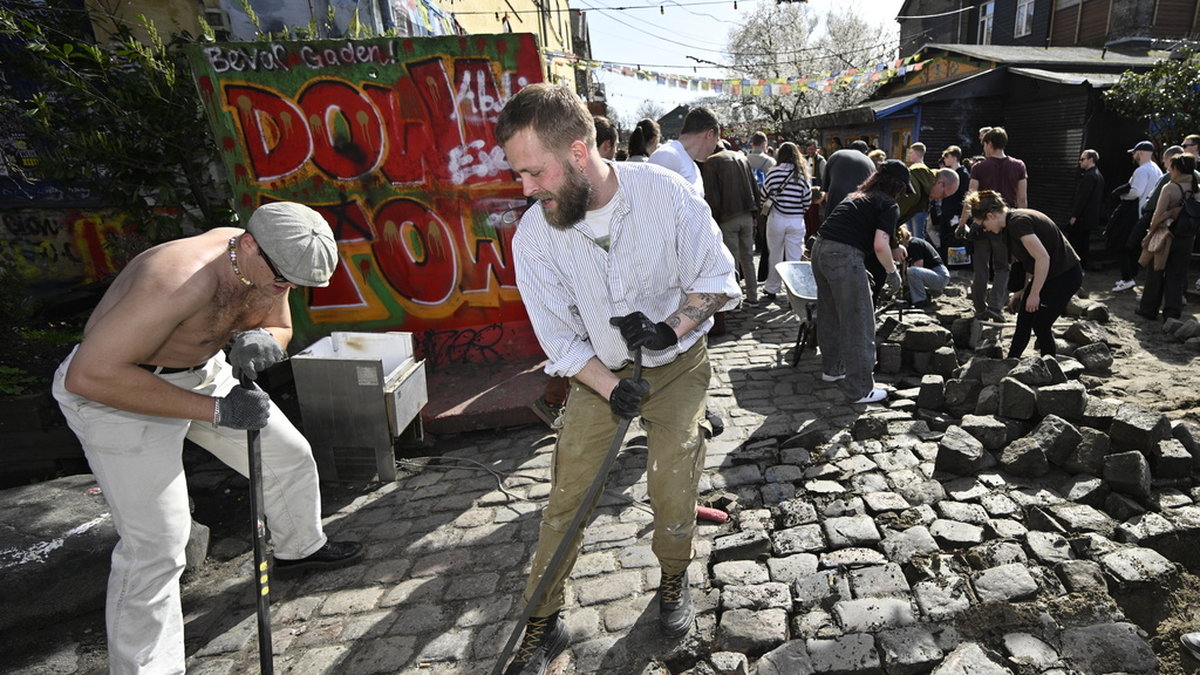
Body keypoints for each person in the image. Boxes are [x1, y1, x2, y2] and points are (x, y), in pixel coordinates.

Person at [51, 201, 363, 673]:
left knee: (289, 456)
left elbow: (278, 323)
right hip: (119, 392)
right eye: (284, 280)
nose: (288, 290)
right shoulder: (176, 278)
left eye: (297, 284)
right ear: (250, 245)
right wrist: (217, 410)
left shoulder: (272, 259)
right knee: (158, 544)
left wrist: (267, 343)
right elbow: (89, 375)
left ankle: (300, 550)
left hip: (200, 374)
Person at [495, 83, 739, 675]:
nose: (526, 189)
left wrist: (669, 329)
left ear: (579, 153)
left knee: (672, 481)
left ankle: (675, 580)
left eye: (533, 172)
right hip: (597, 377)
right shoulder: (535, 236)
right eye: (518, 174)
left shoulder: (667, 195)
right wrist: (610, 387)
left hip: (677, 368)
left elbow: (717, 276)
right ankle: (544, 617)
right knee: (567, 498)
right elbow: (558, 340)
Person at [811, 160, 910, 404]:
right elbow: (880, 245)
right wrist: (891, 272)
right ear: (897, 187)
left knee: (830, 313)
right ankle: (861, 388)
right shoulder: (888, 204)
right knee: (860, 321)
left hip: (819, 250)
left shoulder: (856, 196)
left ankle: (832, 370)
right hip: (843, 255)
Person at [965, 190, 1082, 358]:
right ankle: (1012, 361)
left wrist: (1034, 294)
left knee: (1041, 324)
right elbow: (1025, 261)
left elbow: (1042, 258)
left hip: (1065, 275)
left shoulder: (1019, 222)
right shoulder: (1006, 227)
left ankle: (1050, 366)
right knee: (1024, 321)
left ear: (990, 216)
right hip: (1049, 274)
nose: (985, 229)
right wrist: (1020, 292)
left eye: (983, 225)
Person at [959, 126, 1028, 321]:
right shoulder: (1019, 166)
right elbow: (1022, 199)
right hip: (1005, 224)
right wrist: (1022, 225)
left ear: (989, 144)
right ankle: (996, 307)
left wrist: (962, 222)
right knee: (1002, 267)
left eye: (984, 144)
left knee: (980, 268)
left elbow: (970, 198)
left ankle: (980, 309)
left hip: (981, 223)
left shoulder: (979, 167)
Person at [1137, 152, 1199, 321]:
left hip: (1166, 236)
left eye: (1171, 167)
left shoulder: (1170, 188)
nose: (1169, 170)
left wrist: (1150, 233)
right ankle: (1172, 312)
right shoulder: (1196, 189)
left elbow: (1157, 216)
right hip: (1187, 238)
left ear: (1177, 168)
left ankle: (1148, 309)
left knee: (1156, 271)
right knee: (1177, 275)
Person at [702, 138, 762, 303]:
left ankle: (736, 299)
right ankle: (753, 295)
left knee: (732, 260)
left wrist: (712, 220)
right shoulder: (742, 157)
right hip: (747, 214)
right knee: (748, 258)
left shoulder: (711, 162)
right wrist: (756, 214)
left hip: (727, 217)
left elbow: (712, 195)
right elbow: (754, 187)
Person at [761, 142, 813, 303]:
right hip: (796, 219)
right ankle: (795, 293)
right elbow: (807, 200)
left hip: (776, 218)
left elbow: (764, 195)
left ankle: (772, 288)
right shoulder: (802, 174)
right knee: (794, 257)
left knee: (775, 254)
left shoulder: (773, 173)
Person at [1108, 140, 1162, 292]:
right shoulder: (1156, 169)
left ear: (1141, 153)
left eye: (1134, 152)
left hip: (1134, 214)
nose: (1133, 155)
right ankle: (1130, 277)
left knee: (1123, 245)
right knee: (1133, 247)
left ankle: (1127, 278)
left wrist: (1122, 196)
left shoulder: (1141, 170)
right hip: (1146, 214)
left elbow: (1136, 191)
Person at [648, 107, 720, 195]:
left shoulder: (693, 167)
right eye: (716, 140)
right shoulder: (667, 155)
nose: (715, 148)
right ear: (710, 134)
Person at [1067, 148, 1105, 269]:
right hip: (1089, 217)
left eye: (1083, 159)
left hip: (1082, 217)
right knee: (1084, 242)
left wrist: (1074, 215)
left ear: (1090, 160)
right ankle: (1080, 266)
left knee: (1076, 242)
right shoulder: (1098, 175)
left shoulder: (1089, 176)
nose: (1080, 161)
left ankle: (1074, 266)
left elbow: (1082, 198)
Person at [897, 224, 949, 308]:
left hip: (940, 275)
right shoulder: (908, 248)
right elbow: (904, 271)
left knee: (912, 271)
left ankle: (920, 301)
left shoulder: (914, 244)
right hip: (932, 275)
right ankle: (920, 296)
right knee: (911, 273)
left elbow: (919, 267)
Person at [822, 139, 875, 218]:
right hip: (858, 203)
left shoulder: (836, 154)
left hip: (836, 199)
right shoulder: (870, 162)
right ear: (866, 152)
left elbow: (826, 190)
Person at [936, 145, 971, 253]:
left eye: (947, 156)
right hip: (946, 211)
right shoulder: (949, 173)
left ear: (954, 157)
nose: (945, 159)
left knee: (954, 240)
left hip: (955, 212)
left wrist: (959, 214)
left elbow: (964, 195)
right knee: (945, 238)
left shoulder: (963, 174)